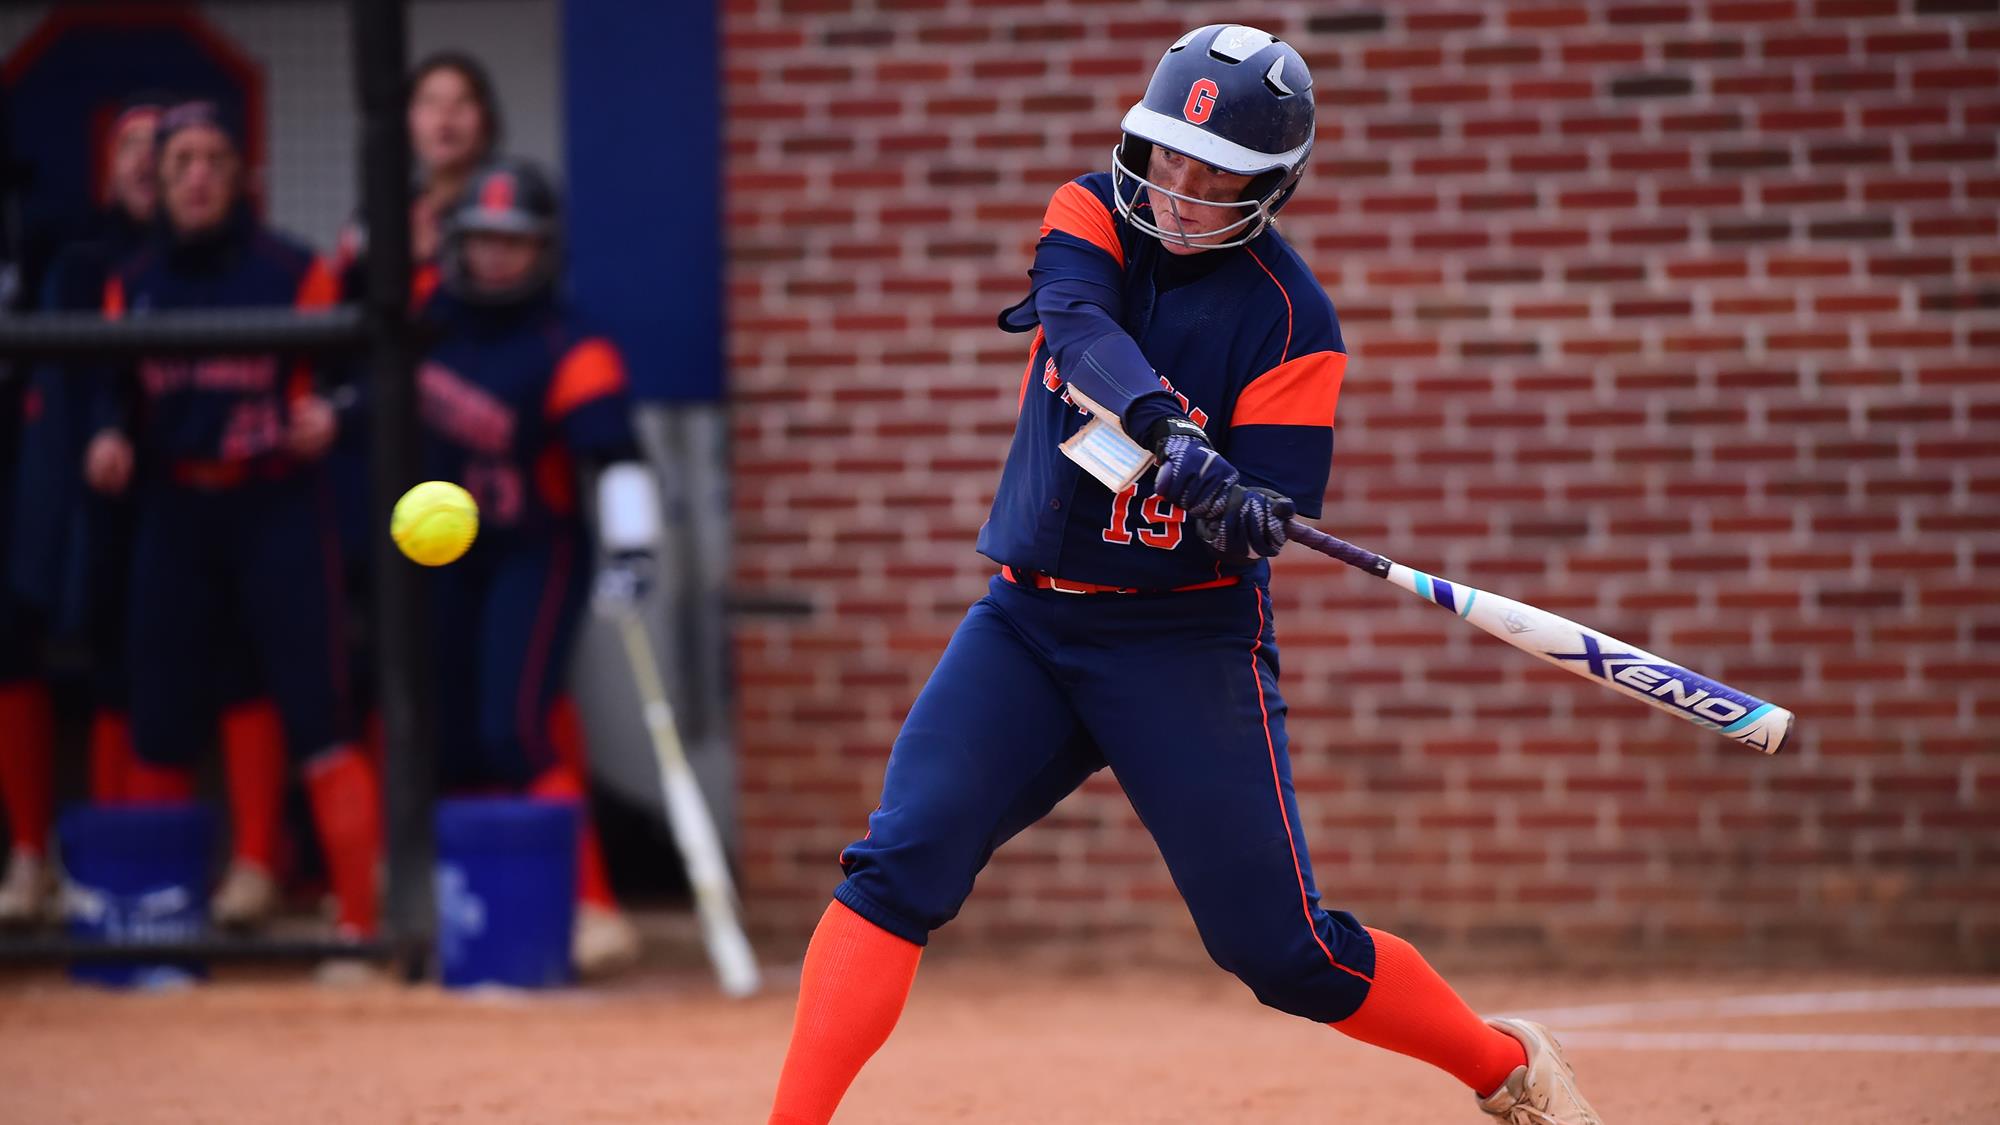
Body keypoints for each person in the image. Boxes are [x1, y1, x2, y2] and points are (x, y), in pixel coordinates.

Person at [765, 25, 1600, 1125]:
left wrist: (1240, 510)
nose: (1178, 188)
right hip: (1026, 627)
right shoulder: (1085, 214)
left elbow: (1272, 513)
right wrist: (1168, 432)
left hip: (1182, 648)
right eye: (1165, 155)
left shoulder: (1294, 322)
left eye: (1215, 175)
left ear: (1271, 187)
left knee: (1280, 953)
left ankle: (1504, 1070)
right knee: (898, 863)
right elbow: (1077, 329)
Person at [82, 100, 381, 940]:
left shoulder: (292, 269)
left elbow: (365, 375)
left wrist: (335, 413)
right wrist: (107, 433)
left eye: (215, 158)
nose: (199, 176)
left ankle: (360, 927)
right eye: (182, 163)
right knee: (160, 713)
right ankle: (155, 929)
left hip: (277, 506)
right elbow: (110, 388)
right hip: (175, 508)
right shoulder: (133, 282)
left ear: (244, 175)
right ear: (160, 180)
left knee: (317, 711)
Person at [414, 157, 653, 975]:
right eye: (481, 240)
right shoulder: (425, 317)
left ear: (544, 249)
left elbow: (617, 457)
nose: (496, 258)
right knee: (448, 731)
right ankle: (481, 911)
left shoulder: (571, 340)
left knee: (511, 724)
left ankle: (590, 907)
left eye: (514, 243)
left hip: (535, 550)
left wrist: (632, 551)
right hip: (440, 559)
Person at [1, 97, 163, 925]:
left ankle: (140, 871)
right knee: (49, 651)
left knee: (146, 671)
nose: (145, 159)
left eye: (159, 147)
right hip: (71, 497)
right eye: (128, 145)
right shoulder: (72, 257)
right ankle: (44, 861)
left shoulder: (193, 263)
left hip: (174, 502)